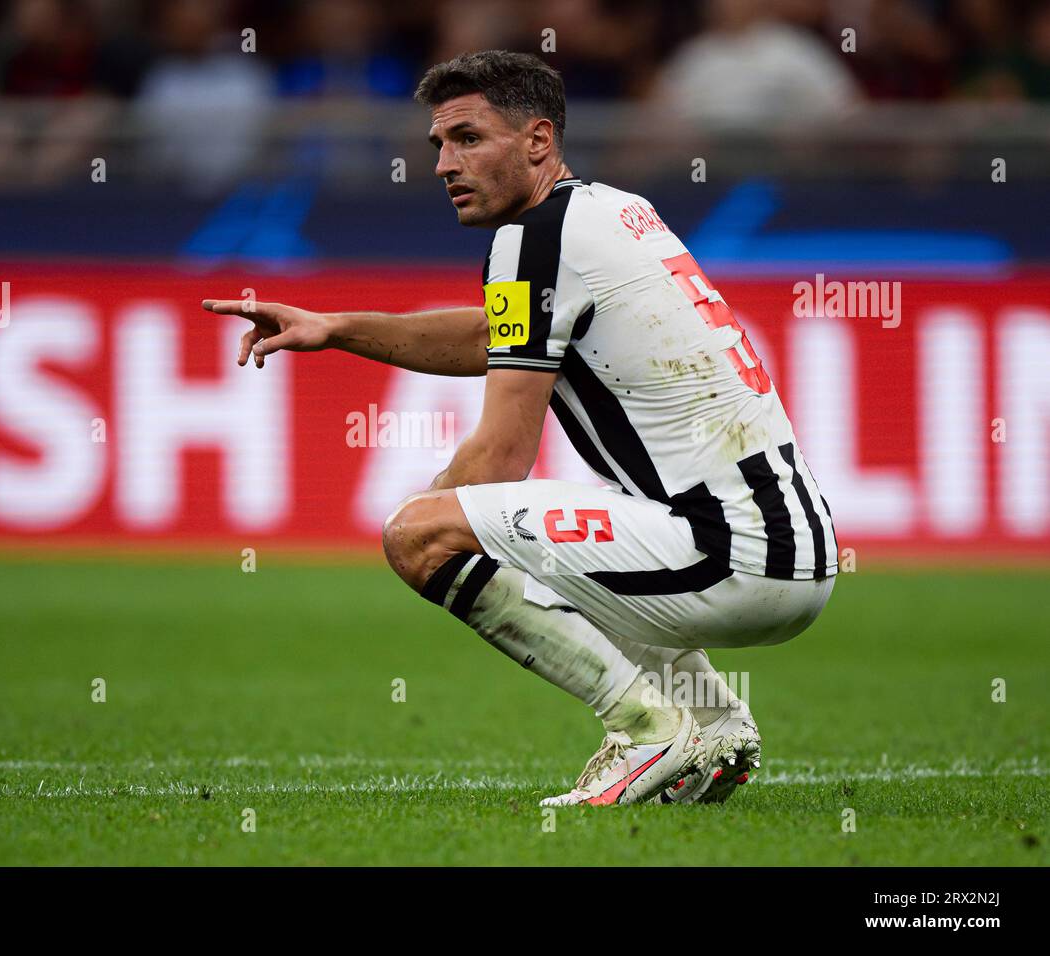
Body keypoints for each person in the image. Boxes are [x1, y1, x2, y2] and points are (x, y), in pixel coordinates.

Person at [203, 51, 837, 807]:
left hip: (728, 557)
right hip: (788, 553)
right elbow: (491, 340)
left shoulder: (532, 240)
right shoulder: (612, 210)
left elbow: (502, 456)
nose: (443, 164)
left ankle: (646, 727)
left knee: (421, 533)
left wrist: (430, 532)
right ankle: (713, 724)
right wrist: (336, 327)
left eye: (468, 138)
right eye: (438, 144)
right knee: (522, 530)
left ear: (538, 141)